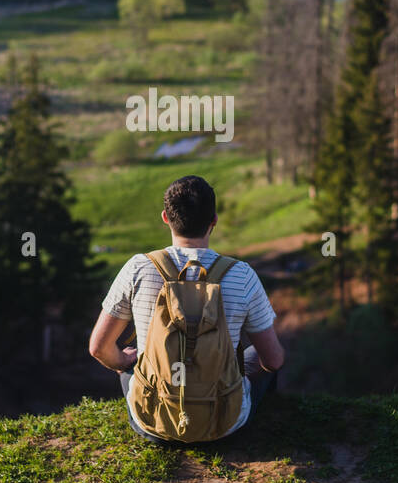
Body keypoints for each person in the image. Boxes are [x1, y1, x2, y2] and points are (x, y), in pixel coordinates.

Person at [88, 175, 285, 443]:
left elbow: (99, 348)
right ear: (214, 220)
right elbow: (272, 361)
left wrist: (125, 361)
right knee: (258, 355)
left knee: (128, 359)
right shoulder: (243, 275)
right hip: (224, 426)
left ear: (165, 218)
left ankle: (156, 412)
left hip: (153, 425)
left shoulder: (138, 268)